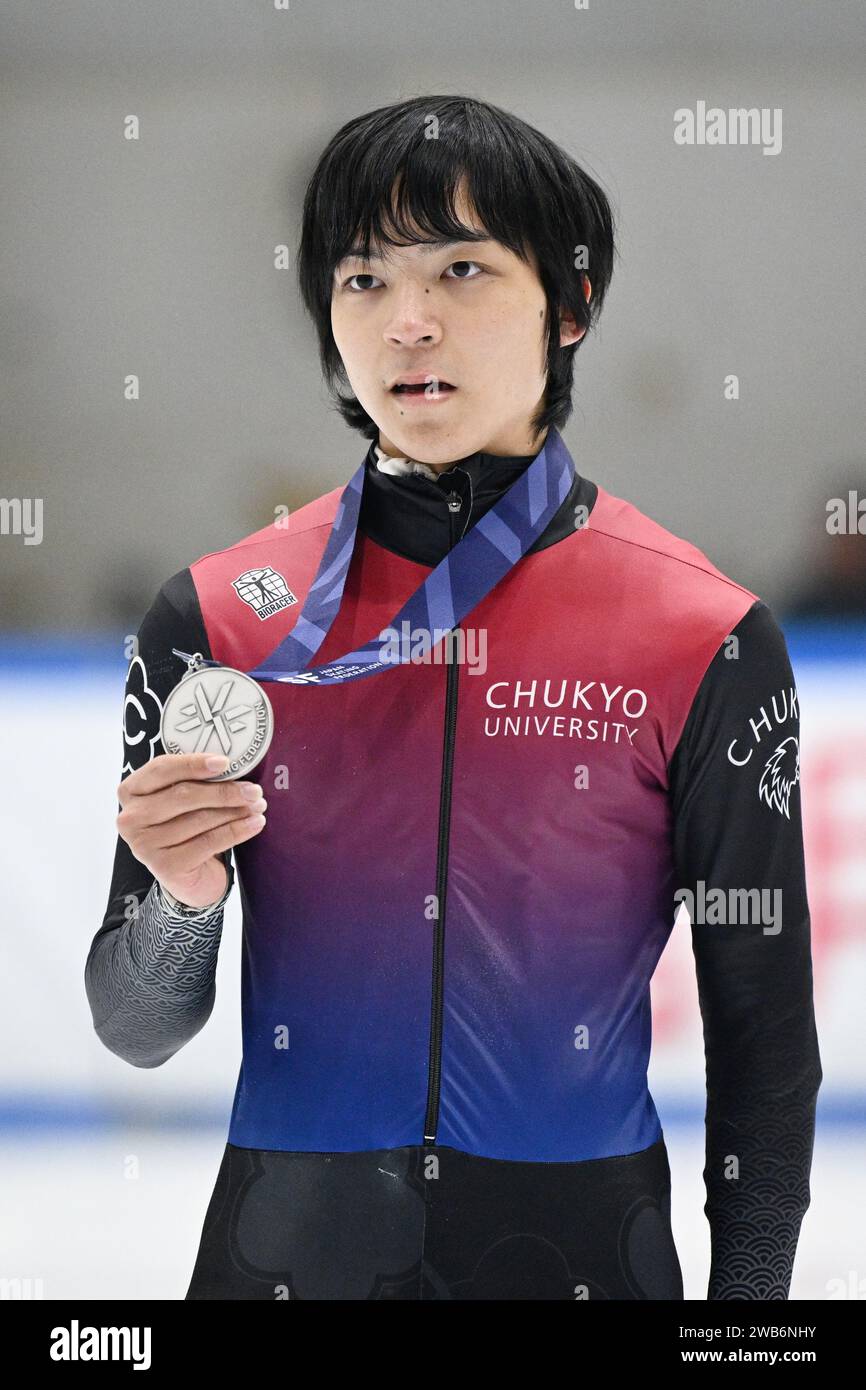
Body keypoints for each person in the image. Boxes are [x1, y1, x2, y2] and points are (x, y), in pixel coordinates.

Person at [85, 94, 822, 1300]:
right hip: (282, 1259)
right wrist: (180, 903)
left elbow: (764, 1045)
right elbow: (136, 1025)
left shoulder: (706, 634)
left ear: (570, 308)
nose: (406, 322)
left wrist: (748, 1323)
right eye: (362, 279)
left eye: (462, 268)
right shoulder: (219, 623)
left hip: (583, 1259)